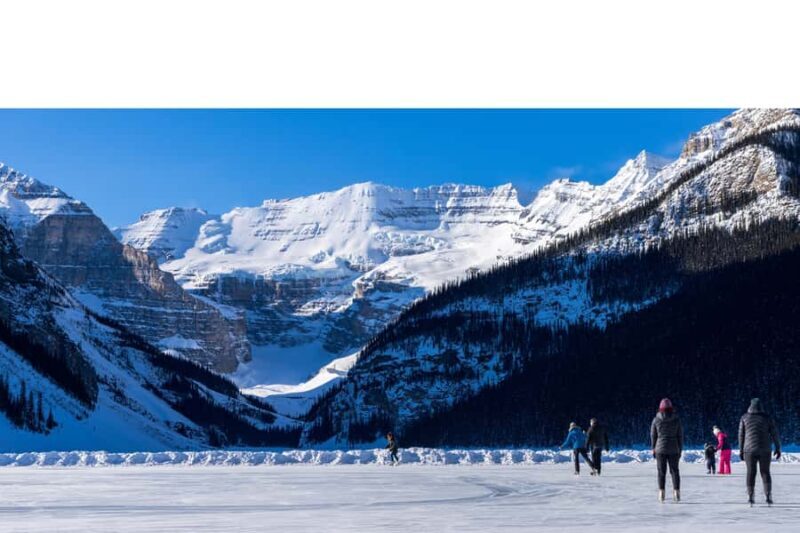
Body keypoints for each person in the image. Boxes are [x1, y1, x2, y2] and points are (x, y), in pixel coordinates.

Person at [738, 398, 781, 505]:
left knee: (751, 472)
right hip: (765, 449)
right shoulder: (767, 418)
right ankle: (768, 496)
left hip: (749, 450)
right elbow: (774, 433)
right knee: (765, 472)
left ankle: (750, 496)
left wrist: (741, 450)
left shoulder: (744, 417)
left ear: (750, 406)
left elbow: (741, 435)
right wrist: (777, 448)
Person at [650, 398, 683, 502]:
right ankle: (676, 493)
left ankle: (661, 493)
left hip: (660, 449)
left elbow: (653, 435)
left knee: (661, 472)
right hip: (674, 448)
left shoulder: (656, 420)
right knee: (675, 471)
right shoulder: (676, 420)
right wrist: (680, 449)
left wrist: (653, 448)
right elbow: (680, 436)